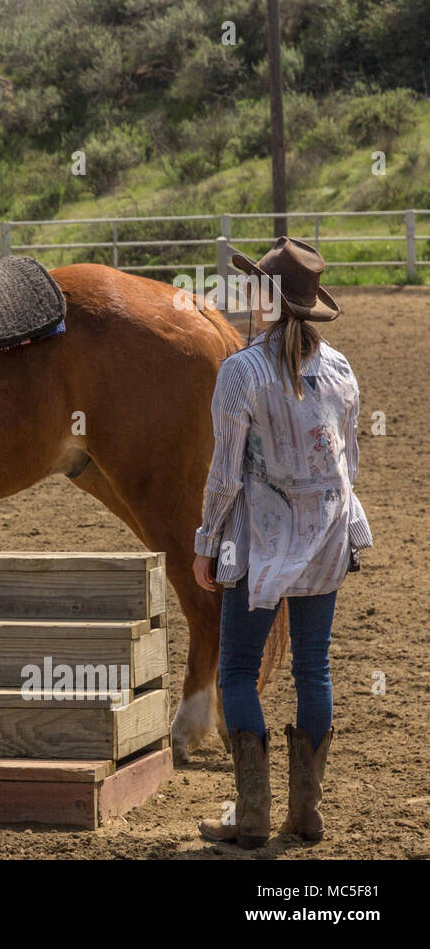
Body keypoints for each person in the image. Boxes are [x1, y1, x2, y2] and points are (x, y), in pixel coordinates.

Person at [192, 236, 373, 849]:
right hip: (326, 539)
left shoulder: (240, 372)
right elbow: (350, 460)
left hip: (257, 544)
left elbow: (224, 475)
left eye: (251, 285)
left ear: (267, 298)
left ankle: (251, 817)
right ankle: (305, 814)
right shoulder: (341, 370)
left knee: (239, 671)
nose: (243, 292)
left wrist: (204, 542)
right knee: (313, 666)